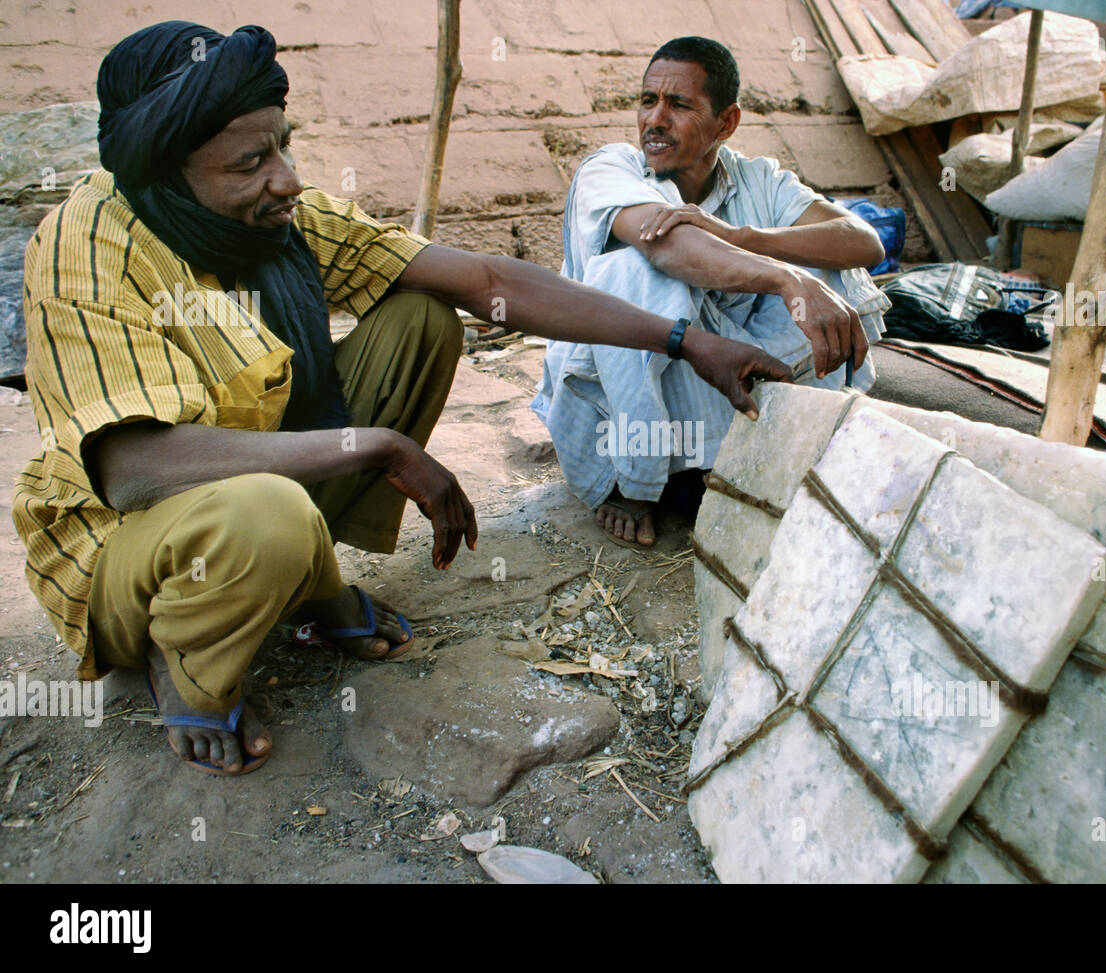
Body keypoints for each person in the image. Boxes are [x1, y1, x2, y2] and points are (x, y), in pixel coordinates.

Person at [13, 21, 790, 776]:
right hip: (131, 541)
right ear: (169, 170)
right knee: (264, 514)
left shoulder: (281, 217)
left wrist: (687, 341)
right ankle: (180, 653)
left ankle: (293, 576)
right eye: (250, 162)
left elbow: (487, 283)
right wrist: (376, 444)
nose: (285, 177)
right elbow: (135, 468)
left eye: (284, 144)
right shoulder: (89, 241)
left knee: (420, 318)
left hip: (253, 487)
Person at [531, 36, 890, 548]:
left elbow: (864, 240)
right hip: (630, 391)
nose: (655, 119)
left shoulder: (757, 178)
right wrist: (787, 278)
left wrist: (744, 237)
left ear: (726, 123)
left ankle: (780, 439)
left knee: (836, 272)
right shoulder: (611, 169)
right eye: (647, 100)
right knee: (633, 274)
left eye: (678, 105)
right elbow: (667, 248)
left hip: (731, 366)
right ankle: (636, 482)